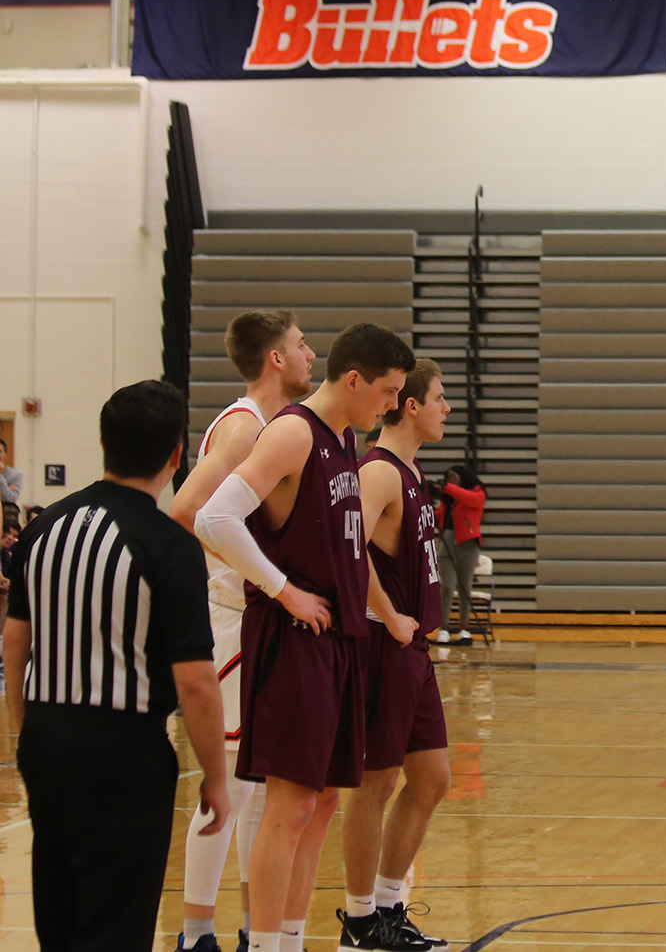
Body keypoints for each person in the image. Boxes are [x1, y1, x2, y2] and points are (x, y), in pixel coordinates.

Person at [194, 323, 414, 952]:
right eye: (389, 391)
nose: (393, 404)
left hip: (338, 640)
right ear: (353, 380)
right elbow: (214, 517)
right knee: (289, 809)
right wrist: (281, 586)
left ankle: (290, 938)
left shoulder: (346, 440)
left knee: (320, 807)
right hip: (296, 640)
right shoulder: (293, 431)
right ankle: (263, 945)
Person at [3, 380, 232, 951]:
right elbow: (196, 683)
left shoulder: (42, 528)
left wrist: (23, 732)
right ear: (177, 454)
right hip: (123, 753)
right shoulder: (168, 545)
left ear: (103, 442)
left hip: (47, 740)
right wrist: (216, 776)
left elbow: (14, 643)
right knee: (117, 925)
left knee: (60, 914)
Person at [171, 309, 317, 952]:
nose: (311, 352)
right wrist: (254, 578)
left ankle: (245, 929)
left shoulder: (271, 425)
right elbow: (186, 511)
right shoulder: (245, 426)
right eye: (301, 343)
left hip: (249, 616)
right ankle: (195, 932)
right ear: (276, 359)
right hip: (229, 618)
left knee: (256, 787)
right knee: (224, 784)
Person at [340, 359, 453, 952]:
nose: (447, 408)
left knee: (432, 779)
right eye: (440, 397)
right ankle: (360, 920)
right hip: (384, 646)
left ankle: (389, 907)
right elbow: (344, 554)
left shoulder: (412, 473)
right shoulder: (378, 472)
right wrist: (387, 614)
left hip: (414, 649)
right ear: (410, 405)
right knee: (376, 782)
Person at [433, 464, 485, 645]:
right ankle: (444, 628)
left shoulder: (477, 492)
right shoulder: (448, 498)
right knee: (447, 586)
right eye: (448, 477)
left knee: (465, 588)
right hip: (447, 542)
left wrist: (447, 488)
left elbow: (470, 499)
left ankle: (464, 628)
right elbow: (439, 515)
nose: (450, 480)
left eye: (454, 476)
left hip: (467, 544)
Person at [0, 437, 22, 507]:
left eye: (0, 451)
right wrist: (7, 487)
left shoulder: (16, 474)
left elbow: (10, 499)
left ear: (5, 454)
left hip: (5, 514)